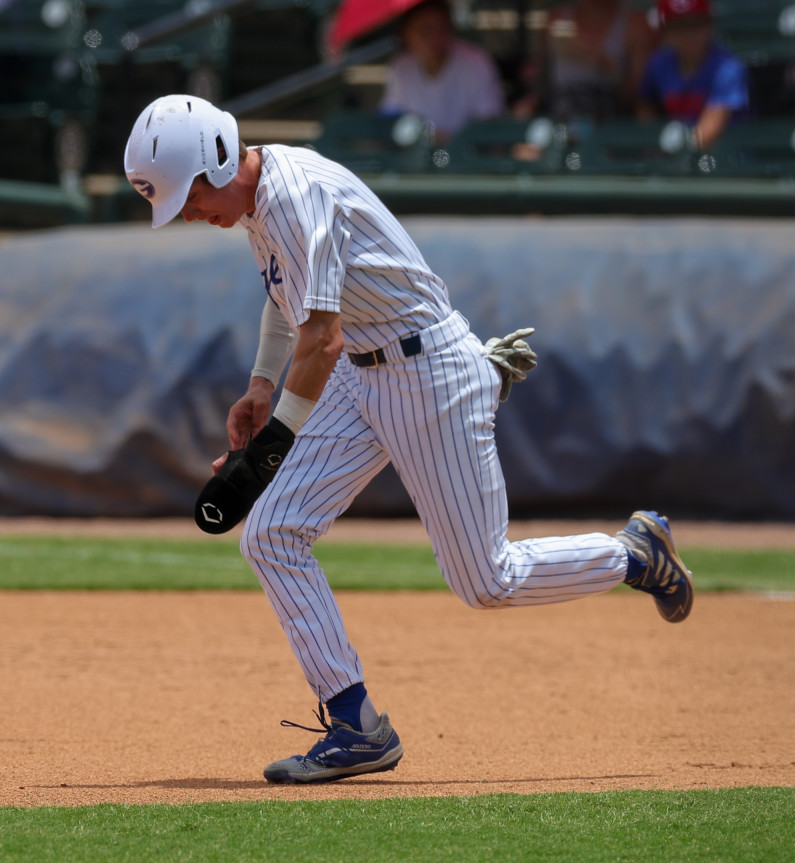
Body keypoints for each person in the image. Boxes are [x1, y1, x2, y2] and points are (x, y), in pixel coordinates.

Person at [123, 94, 696, 785]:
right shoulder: (258, 202)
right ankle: (354, 723)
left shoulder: (297, 195)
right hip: (364, 374)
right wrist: (260, 386)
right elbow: (290, 304)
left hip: (429, 376)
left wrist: (274, 444)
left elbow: (323, 336)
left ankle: (633, 555)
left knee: (486, 581)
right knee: (272, 535)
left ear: (218, 158)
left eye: (189, 195)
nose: (189, 211)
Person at [378, 0, 505, 141]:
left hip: (466, 157)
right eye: (426, 31)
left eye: (443, 28)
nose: (436, 38)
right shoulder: (401, 65)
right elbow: (391, 119)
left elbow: (490, 122)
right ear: (406, 33)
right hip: (414, 158)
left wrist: (450, 141)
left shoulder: (477, 61)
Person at [515, 0, 657, 121]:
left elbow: (642, 100)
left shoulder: (637, 25)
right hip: (561, 123)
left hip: (611, 126)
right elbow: (541, 88)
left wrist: (607, 67)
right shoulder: (555, 21)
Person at [637, 0, 749, 150]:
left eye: (696, 24)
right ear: (665, 31)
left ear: (710, 25)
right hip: (677, 155)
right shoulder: (658, 65)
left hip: (724, 159)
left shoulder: (728, 67)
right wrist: (651, 139)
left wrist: (670, 150)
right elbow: (645, 104)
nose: (688, 34)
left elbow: (709, 130)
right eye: (679, 26)